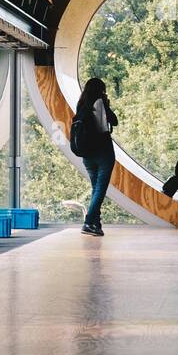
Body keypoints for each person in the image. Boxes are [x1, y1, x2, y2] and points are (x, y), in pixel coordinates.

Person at [75, 77, 117, 237]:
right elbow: (113, 121)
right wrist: (107, 104)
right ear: (101, 90)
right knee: (100, 189)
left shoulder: (81, 104)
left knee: (96, 189)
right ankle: (88, 222)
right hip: (103, 150)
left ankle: (95, 224)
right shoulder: (100, 102)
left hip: (87, 153)